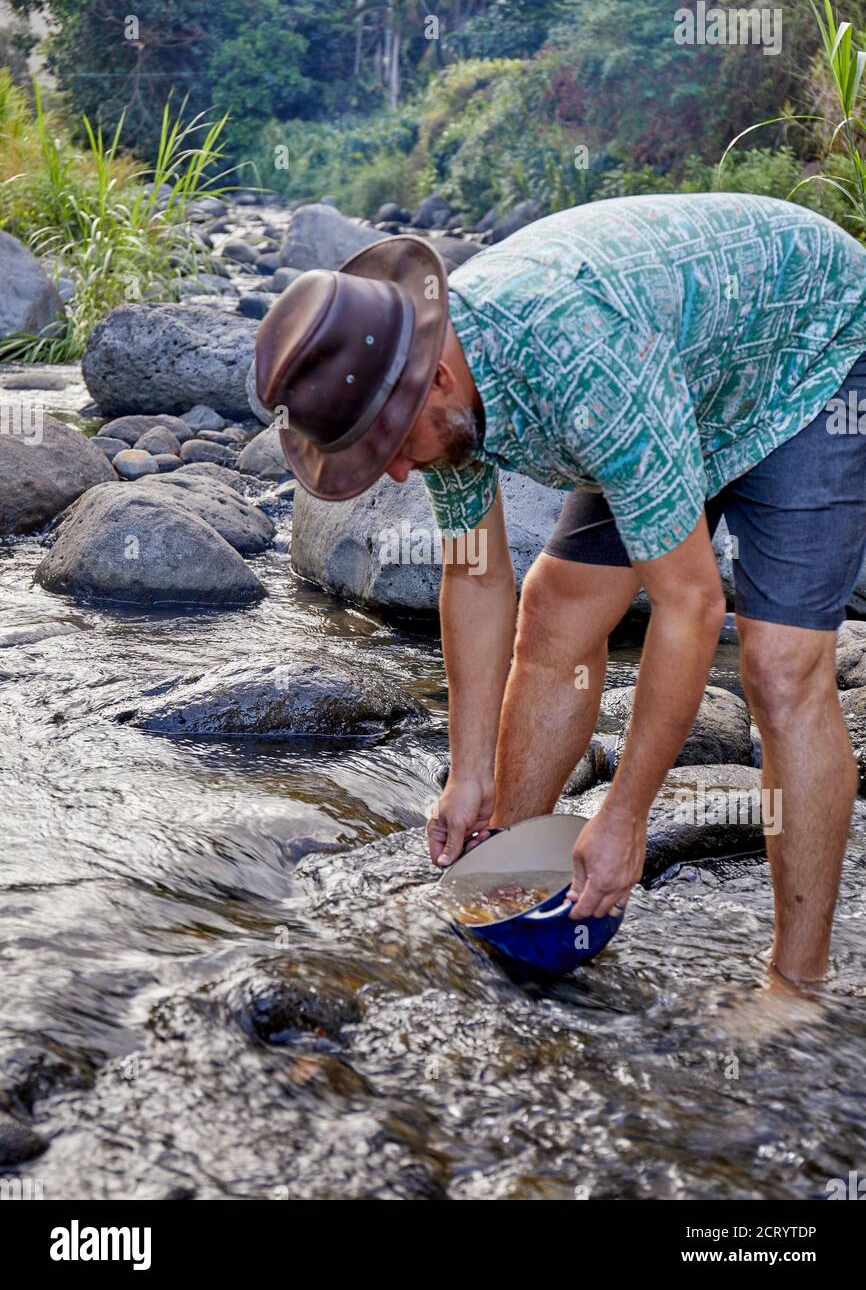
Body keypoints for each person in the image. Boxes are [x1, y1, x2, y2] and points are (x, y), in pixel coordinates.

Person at [255, 192, 866, 985]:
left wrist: (624, 817)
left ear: (436, 377)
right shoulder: (434, 396)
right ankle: (512, 867)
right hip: (676, 377)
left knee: (781, 671)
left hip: (807, 356)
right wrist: (467, 769)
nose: (398, 472)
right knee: (553, 612)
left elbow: (690, 604)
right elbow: (475, 572)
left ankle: (796, 982)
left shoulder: (580, 364)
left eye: (394, 448)